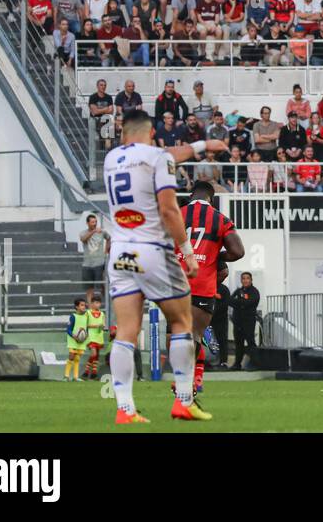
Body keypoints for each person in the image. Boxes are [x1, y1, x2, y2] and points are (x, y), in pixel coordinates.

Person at [103, 108, 225, 423]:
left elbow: (168, 155)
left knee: (126, 331)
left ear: (124, 133)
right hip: (153, 250)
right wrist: (185, 251)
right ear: (152, 134)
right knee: (183, 323)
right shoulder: (158, 158)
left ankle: (125, 409)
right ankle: (183, 401)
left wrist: (201, 147)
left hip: (119, 253)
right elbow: (170, 210)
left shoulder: (112, 158)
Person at [179, 181, 244, 396]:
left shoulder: (177, 214)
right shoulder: (220, 219)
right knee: (196, 336)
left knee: (178, 337)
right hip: (202, 286)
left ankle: (185, 380)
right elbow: (237, 252)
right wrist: (214, 256)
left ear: (190, 196)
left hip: (176, 285)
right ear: (211, 199)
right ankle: (193, 381)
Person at [231, 271, 261, 370]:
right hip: (237, 321)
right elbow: (230, 301)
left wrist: (239, 302)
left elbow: (251, 302)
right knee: (238, 343)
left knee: (250, 342)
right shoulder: (238, 291)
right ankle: (237, 364)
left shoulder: (254, 291)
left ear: (251, 280)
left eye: (247, 278)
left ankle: (255, 364)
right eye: (243, 278)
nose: (245, 280)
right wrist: (242, 303)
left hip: (248, 321)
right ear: (241, 280)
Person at [80, 213, 109, 305]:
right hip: (87, 264)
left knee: (101, 286)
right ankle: (91, 310)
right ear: (87, 223)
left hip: (99, 263)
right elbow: (83, 239)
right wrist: (93, 231)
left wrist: (106, 250)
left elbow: (109, 238)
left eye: (96, 222)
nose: (95, 224)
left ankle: (108, 304)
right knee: (89, 289)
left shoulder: (102, 232)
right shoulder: (83, 233)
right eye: (92, 222)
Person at [83, 293, 109, 380]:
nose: (98, 305)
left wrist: (102, 326)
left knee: (96, 355)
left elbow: (104, 324)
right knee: (93, 353)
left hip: (99, 336)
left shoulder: (102, 314)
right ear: (92, 303)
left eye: (99, 303)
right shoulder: (88, 313)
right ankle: (86, 372)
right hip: (91, 336)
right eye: (96, 303)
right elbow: (85, 324)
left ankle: (94, 373)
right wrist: (95, 326)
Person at [65, 297, 90, 382]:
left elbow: (86, 329)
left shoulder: (86, 316)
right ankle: (66, 376)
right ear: (76, 307)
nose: (84, 307)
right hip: (73, 340)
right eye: (82, 305)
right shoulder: (73, 316)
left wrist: (86, 336)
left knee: (77, 358)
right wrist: (74, 336)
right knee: (71, 356)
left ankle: (75, 377)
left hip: (81, 341)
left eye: (84, 305)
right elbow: (68, 329)